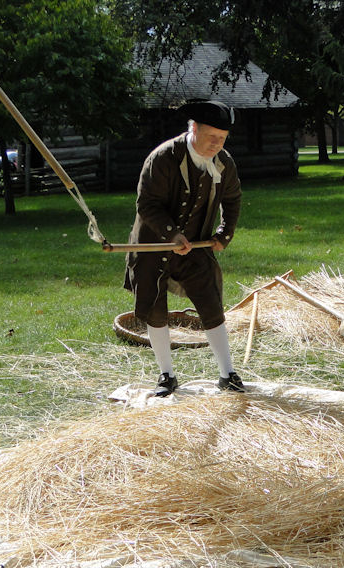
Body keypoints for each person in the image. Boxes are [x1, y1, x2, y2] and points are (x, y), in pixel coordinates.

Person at [124, 100, 244, 398]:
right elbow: (146, 204)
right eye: (211, 136)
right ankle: (166, 375)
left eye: (222, 138)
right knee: (155, 308)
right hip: (153, 243)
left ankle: (227, 374)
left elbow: (232, 199)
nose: (217, 144)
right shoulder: (164, 158)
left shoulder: (223, 162)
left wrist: (224, 233)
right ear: (194, 129)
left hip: (196, 246)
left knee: (211, 303)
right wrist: (172, 234)